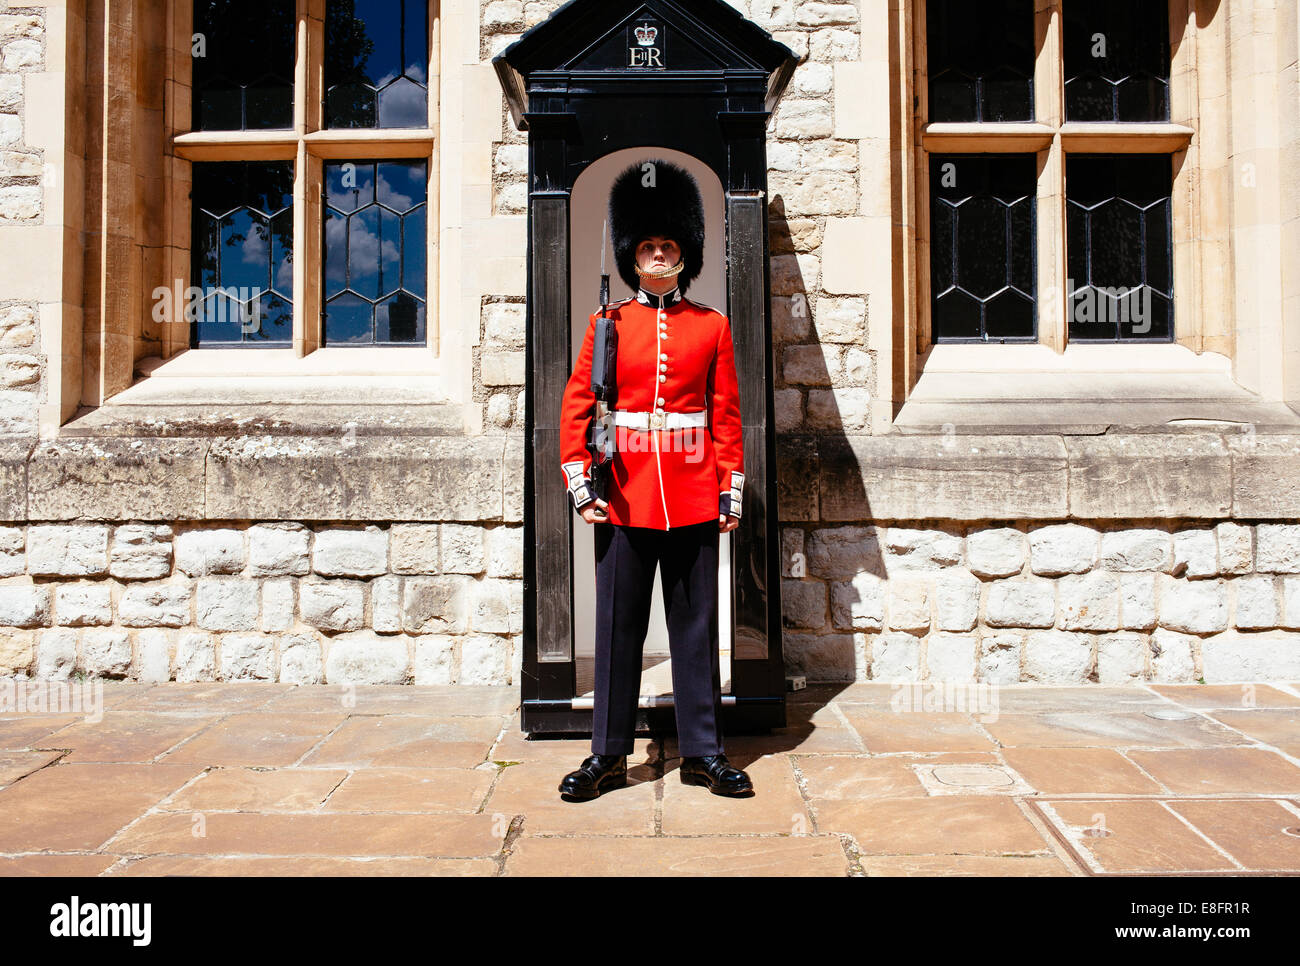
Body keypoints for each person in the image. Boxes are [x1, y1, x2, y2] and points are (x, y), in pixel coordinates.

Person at [556, 159, 753, 800]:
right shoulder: (607, 325)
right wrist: (583, 484)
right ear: (631, 256)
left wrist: (730, 488)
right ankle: (609, 753)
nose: (660, 255)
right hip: (623, 493)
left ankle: (703, 750)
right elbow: (579, 405)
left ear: (685, 252)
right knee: (618, 628)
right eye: (648, 246)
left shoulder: (712, 326)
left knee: (694, 627)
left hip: (694, 493)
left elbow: (724, 413)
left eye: (669, 245)